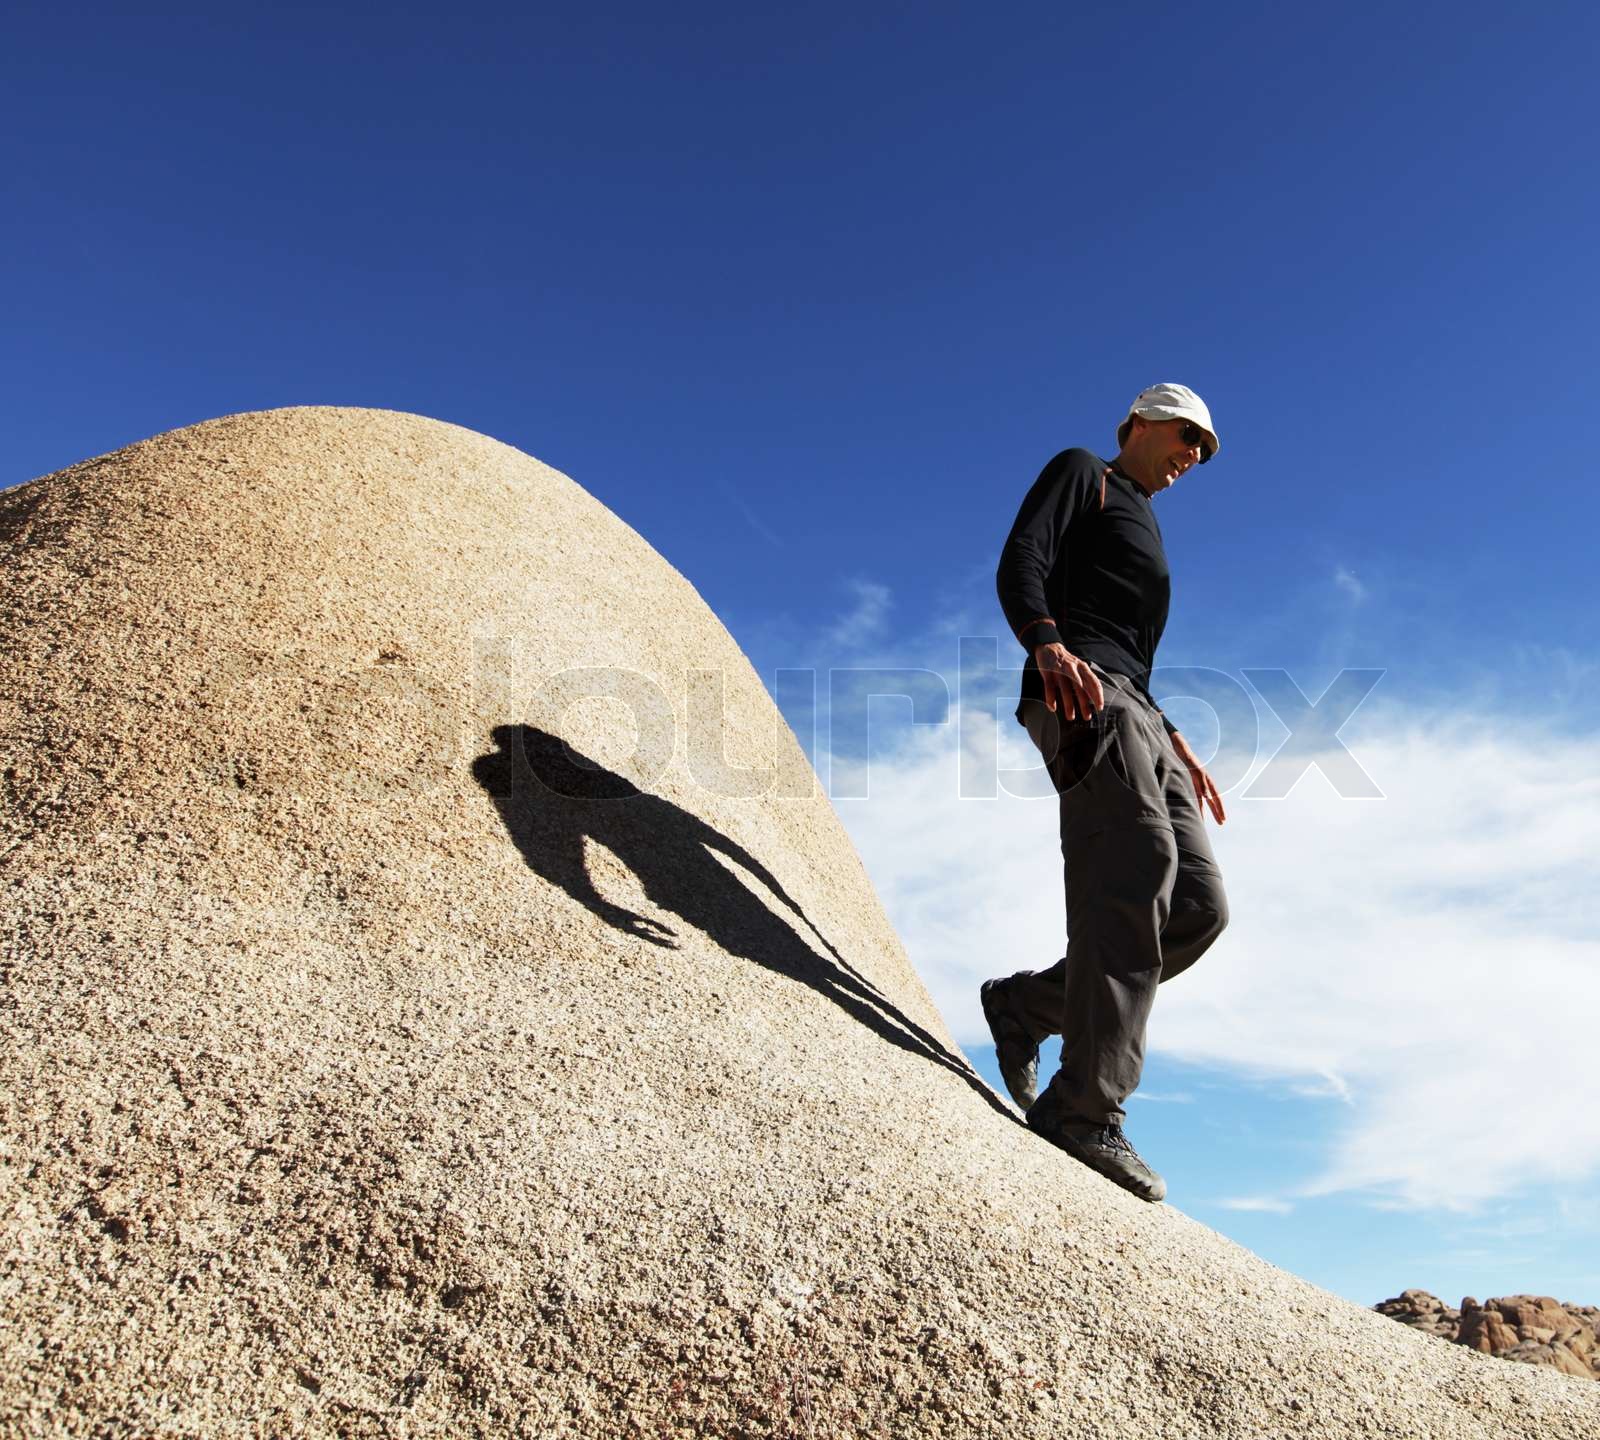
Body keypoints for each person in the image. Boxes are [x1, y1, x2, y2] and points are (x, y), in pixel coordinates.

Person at [982, 383, 1230, 1203]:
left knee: (1197, 905)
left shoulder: (1146, 519)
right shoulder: (1084, 471)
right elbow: (1025, 558)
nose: (1193, 456)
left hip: (1139, 708)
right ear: (1139, 423)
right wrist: (1045, 643)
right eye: (1187, 437)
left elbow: (1136, 653)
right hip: (1079, 691)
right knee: (1137, 861)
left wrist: (1171, 730)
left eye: (1203, 449)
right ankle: (1084, 1112)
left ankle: (1025, 1007)